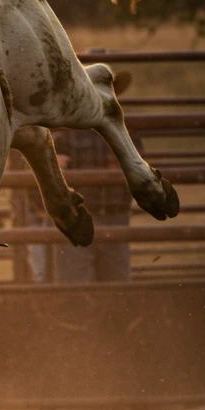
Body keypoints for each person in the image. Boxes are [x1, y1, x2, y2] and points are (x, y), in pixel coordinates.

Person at [50, 70, 138, 283]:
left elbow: (139, 170)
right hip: (83, 216)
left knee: (115, 281)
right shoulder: (65, 129)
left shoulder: (125, 128)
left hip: (112, 215)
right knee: (78, 282)